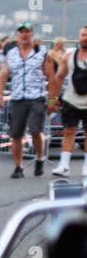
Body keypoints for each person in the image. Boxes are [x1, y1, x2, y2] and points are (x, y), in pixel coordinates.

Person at [0, 21, 59, 177]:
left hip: (36, 97)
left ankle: (39, 158)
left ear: (32, 34)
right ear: (17, 35)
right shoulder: (11, 54)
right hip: (18, 98)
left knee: (36, 130)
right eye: (21, 32)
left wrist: (52, 101)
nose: (24, 34)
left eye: (27, 31)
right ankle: (18, 167)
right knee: (16, 134)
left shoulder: (42, 53)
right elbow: (3, 75)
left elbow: (52, 78)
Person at [52, 25, 87, 176]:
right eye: (83, 35)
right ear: (79, 37)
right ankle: (64, 166)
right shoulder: (69, 55)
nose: (85, 38)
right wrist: (52, 100)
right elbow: (58, 78)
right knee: (68, 132)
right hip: (70, 100)